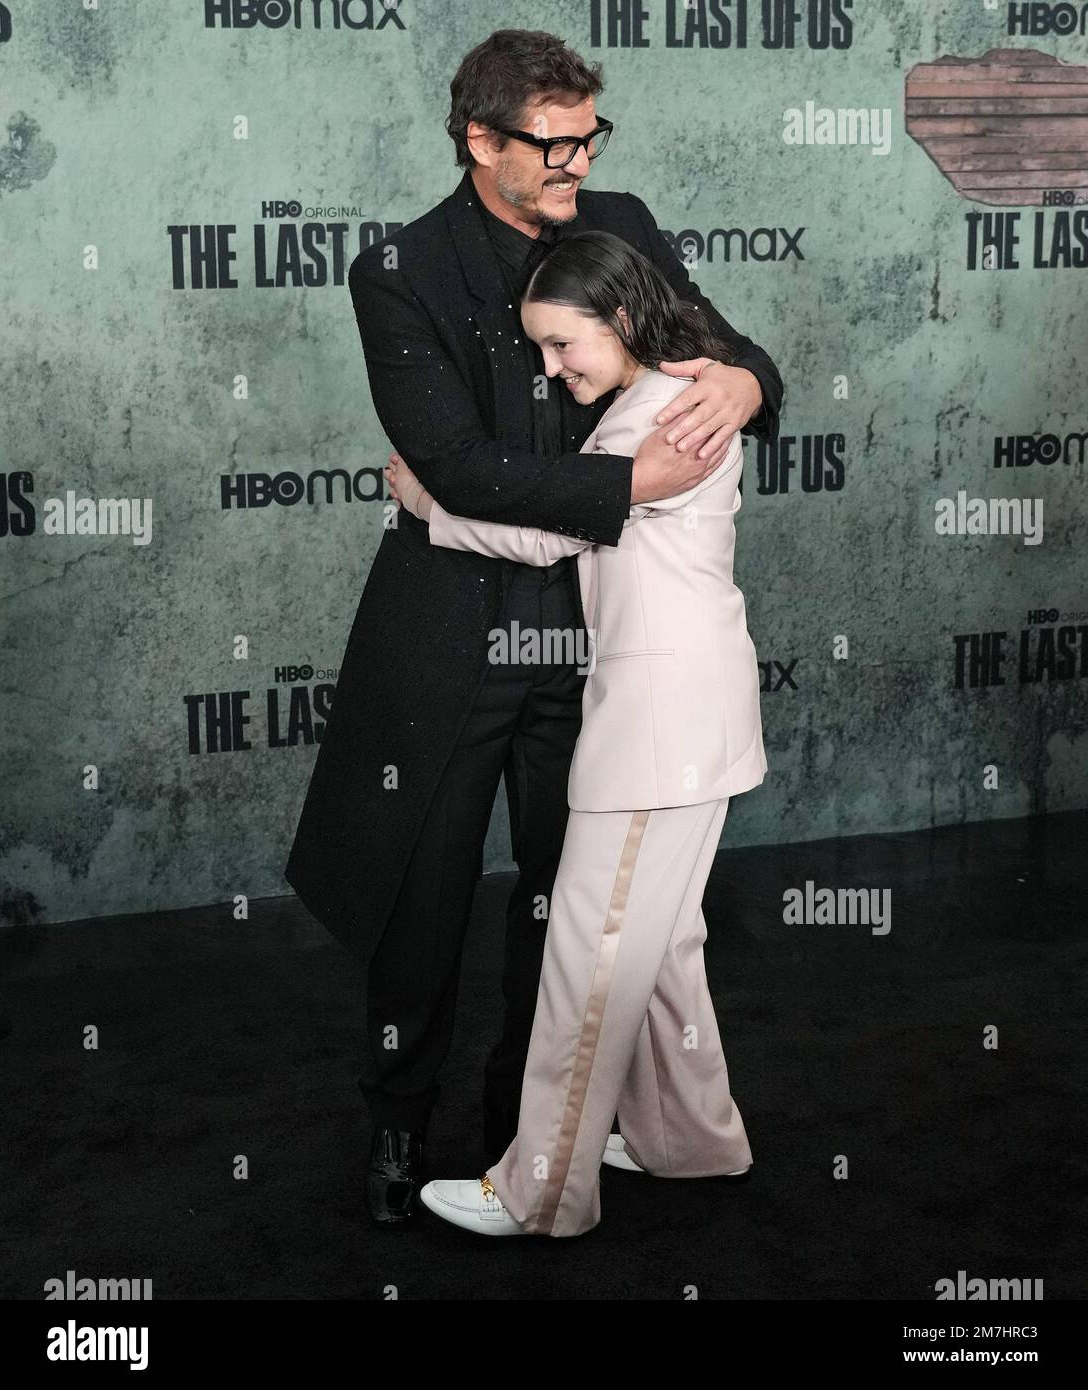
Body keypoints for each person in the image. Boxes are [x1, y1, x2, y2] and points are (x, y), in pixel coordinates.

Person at [283, 28, 783, 1226]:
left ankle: (532, 1133)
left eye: (586, 137)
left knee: (576, 905)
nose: (577, 163)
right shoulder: (397, 270)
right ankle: (399, 1129)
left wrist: (751, 383)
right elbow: (461, 469)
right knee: (423, 891)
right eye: (552, 145)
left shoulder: (617, 219)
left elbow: (719, 347)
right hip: (448, 633)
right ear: (480, 141)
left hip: (596, 646)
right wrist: (630, 484)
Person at [385, 226, 766, 1238]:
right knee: (661, 945)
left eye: (563, 346)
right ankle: (690, 1140)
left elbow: (552, 527)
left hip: (658, 727)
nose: (552, 371)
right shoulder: (655, 401)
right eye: (541, 351)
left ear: (621, 318)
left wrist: (427, 501)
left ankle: (541, 1191)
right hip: (685, 716)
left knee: (590, 956)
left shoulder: (664, 419)